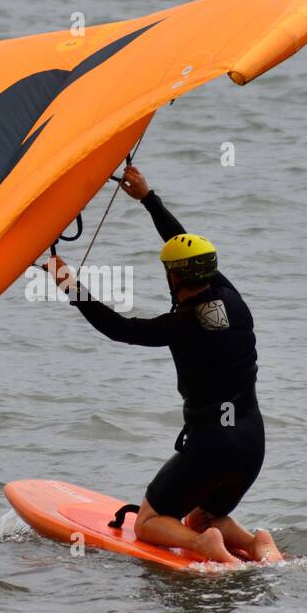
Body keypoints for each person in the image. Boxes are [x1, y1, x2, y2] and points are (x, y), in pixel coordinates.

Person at [48, 166, 281, 566]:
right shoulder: (231, 296)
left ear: (173, 275)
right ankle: (257, 543)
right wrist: (146, 197)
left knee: (150, 521)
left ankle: (205, 545)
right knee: (202, 515)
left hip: (213, 443)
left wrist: (71, 286)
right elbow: (181, 242)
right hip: (252, 440)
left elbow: (119, 328)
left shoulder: (182, 323)